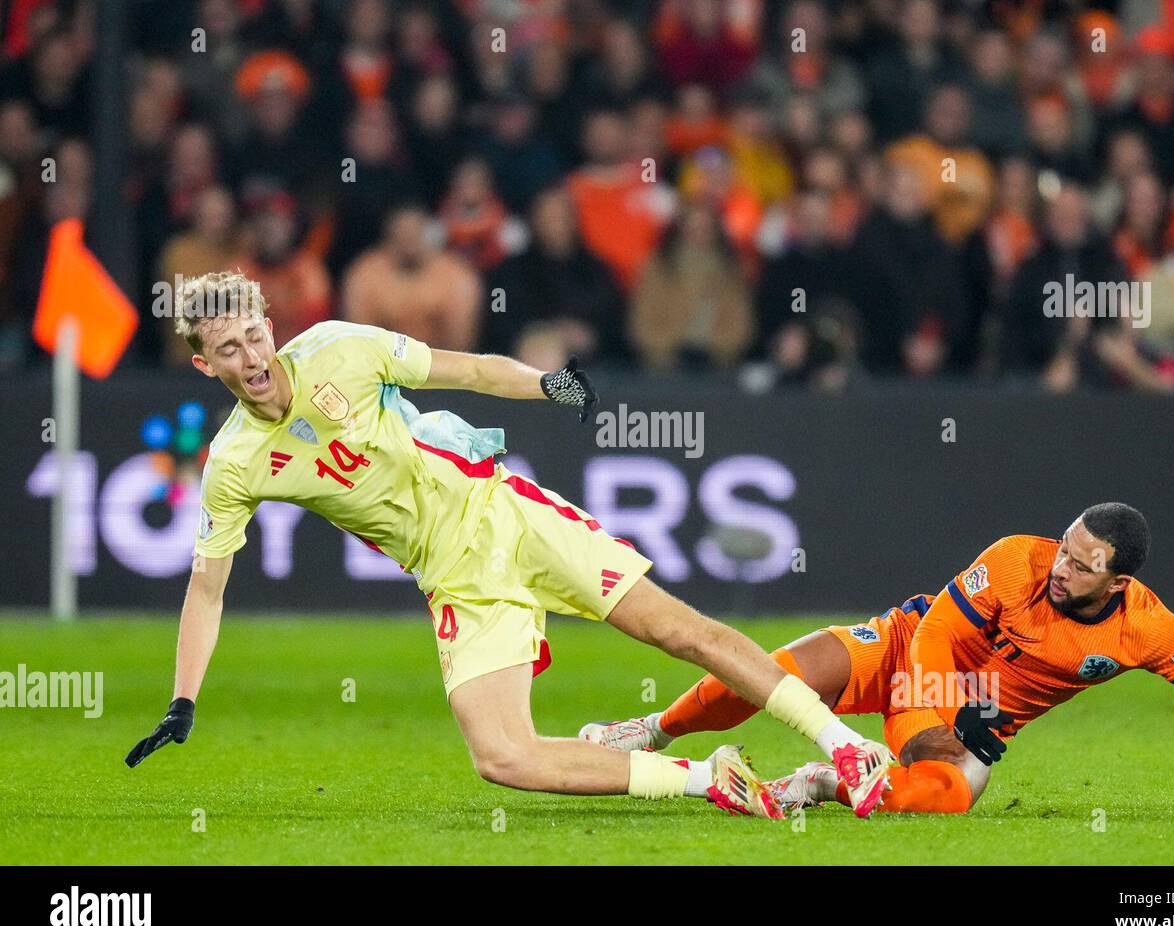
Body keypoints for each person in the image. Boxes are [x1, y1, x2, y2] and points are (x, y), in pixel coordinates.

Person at [123, 270, 894, 822]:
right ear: (204, 362)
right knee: (503, 757)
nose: (251, 358)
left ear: (270, 324)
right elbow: (206, 588)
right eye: (228, 349)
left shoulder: (338, 348)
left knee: (676, 629)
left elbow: (466, 371)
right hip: (456, 582)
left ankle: (844, 745)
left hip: (503, 514)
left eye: (254, 334)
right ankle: (706, 779)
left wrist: (545, 384)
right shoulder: (233, 464)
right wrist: (184, 698)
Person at [583, 503, 1174, 818]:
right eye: (1066, 548)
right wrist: (956, 706)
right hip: (907, 648)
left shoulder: (1146, 629)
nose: (1062, 568)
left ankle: (819, 782)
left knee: (948, 797)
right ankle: (653, 731)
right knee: (773, 675)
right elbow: (934, 635)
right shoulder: (1019, 559)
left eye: (1082, 566)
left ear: (1118, 583)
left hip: (969, 727)